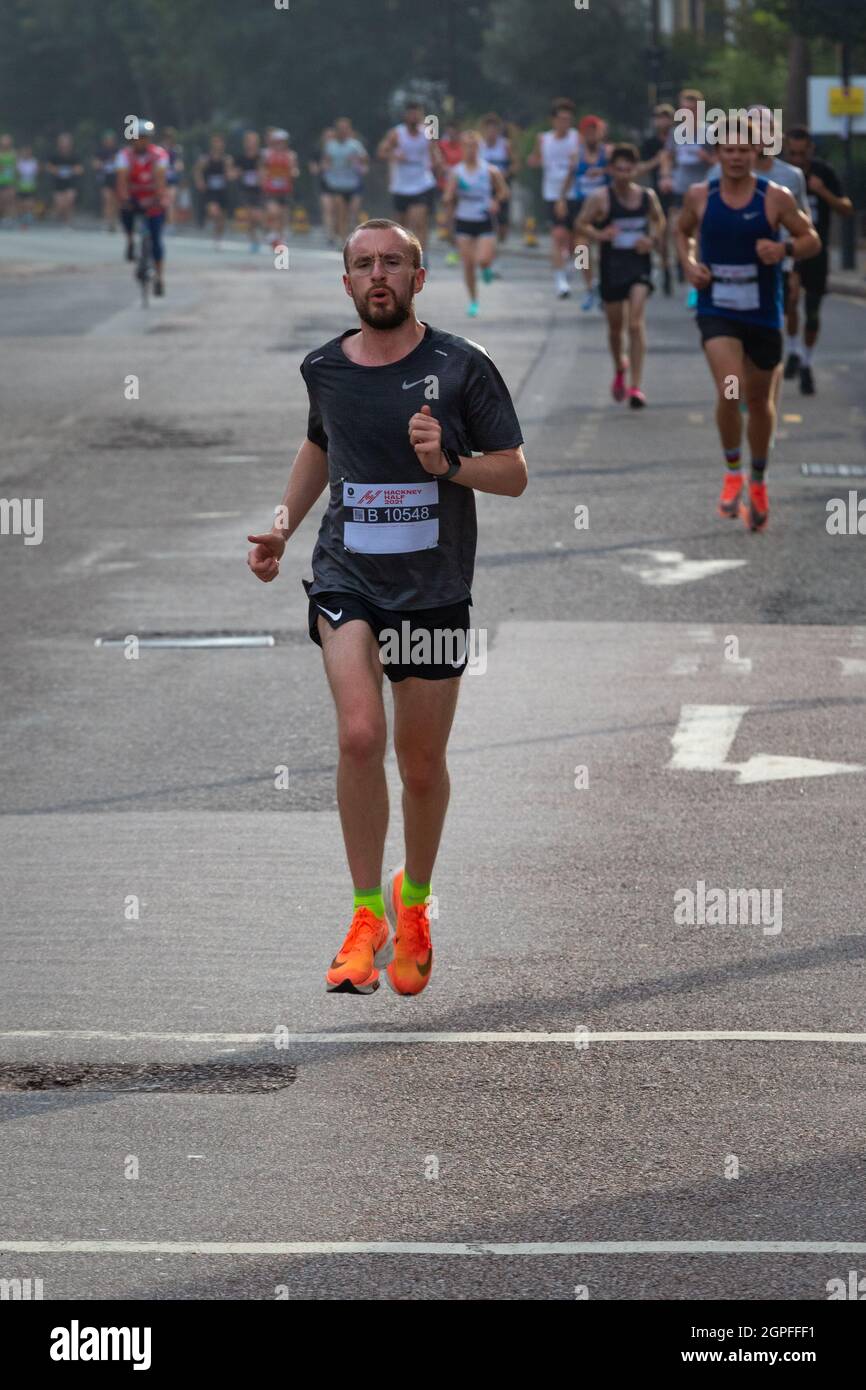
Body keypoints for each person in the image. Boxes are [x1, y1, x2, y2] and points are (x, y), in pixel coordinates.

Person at [246, 219, 526, 996]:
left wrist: (449, 463)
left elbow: (514, 473)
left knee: (422, 765)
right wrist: (281, 529)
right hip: (348, 580)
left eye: (393, 263)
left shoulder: (461, 366)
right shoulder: (325, 367)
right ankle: (366, 914)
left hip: (433, 592)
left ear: (418, 278)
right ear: (346, 282)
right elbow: (320, 445)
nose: (379, 274)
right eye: (364, 264)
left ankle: (415, 899)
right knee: (360, 734)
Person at [675, 128, 820, 531]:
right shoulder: (700, 196)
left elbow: (811, 239)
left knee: (758, 401)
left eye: (743, 150)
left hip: (763, 313)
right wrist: (689, 264)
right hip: (716, 308)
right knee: (730, 388)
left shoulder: (775, 197)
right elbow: (682, 231)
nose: (736, 157)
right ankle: (732, 471)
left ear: (756, 152)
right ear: (718, 154)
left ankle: (758, 478)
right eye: (728, 150)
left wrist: (783, 249)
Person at [708, 108, 810, 437]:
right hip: (725, 278)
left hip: (773, 271)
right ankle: (741, 397)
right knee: (733, 372)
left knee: (765, 362)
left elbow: (805, 228)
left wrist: (789, 257)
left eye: (766, 128)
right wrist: (693, 263)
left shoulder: (789, 177)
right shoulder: (716, 175)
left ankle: (766, 412)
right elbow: (698, 222)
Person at [577, 143, 665, 408]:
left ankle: (636, 386)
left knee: (635, 323)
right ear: (611, 170)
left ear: (635, 170)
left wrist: (651, 240)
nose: (624, 174)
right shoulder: (600, 198)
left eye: (629, 169)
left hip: (639, 265)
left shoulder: (647, 196)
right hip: (612, 267)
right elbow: (580, 223)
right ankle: (619, 367)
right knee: (616, 329)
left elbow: (659, 221)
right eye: (619, 169)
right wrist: (600, 234)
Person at [783, 125, 854, 396]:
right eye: (792, 153)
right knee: (790, 301)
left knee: (812, 311)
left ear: (811, 150)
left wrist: (823, 192)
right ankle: (792, 349)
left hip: (816, 249)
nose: (797, 159)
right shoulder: (782, 175)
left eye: (802, 153)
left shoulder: (823, 172)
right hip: (790, 249)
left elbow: (846, 208)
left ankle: (806, 362)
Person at [443, 129, 508, 316]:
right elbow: (448, 195)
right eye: (467, 146)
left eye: (474, 146)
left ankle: (486, 267)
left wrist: (495, 201)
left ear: (479, 148)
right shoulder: (457, 172)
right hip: (464, 220)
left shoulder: (490, 171)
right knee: (468, 264)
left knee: (483, 259)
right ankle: (473, 301)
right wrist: (448, 199)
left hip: (484, 219)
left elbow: (504, 192)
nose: (470, 150)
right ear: (462, 148)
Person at [527, 97, 580, 299]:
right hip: (551, 194)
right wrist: (533, 160)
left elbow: (574, 169)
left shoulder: (576, 138)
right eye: (561, 119)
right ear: (553, 120)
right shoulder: (544, 139)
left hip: (574, 194)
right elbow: (535, 159)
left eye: (568, 119)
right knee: (558, 236)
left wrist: (563, 197)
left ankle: (572, 266)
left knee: (576, 242)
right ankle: (560, 282)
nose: (565, 123)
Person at [377, 101, 442, 258]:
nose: (414, 116)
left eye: (417, 113)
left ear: (421, 115)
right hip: (401, 185)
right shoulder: (396, 133)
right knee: (401, 227)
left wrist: (438, 163)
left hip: (423, 183)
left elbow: (435, 152)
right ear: (406, 116)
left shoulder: (428, 132)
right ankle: (403, 255)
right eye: (411, 113)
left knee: (419, 221)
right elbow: (381, 152)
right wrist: (394, 155)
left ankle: (422, 256)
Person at [560, 114, 611, 310]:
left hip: (605, 209)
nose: (591, 135)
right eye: (587, 132)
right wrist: (561, 199)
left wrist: (603, 171)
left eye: (594, 131)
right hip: (583, 208)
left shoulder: (608, 153)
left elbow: (621, 173)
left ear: (600, 133)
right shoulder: (576, 155)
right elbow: (569, 178)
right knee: (581, 248)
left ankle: (604, 287)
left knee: (606, 251)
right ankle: (590, 286)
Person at [670, 89, 715, 300]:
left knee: (698, 233)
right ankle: (683, 265)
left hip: (702, 190)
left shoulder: (709, 132)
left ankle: (694, 282)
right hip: (681, 189)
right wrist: (665, 175)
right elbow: (667, 156)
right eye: (684, 109)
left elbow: (720, 161)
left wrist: (706, 158)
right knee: (678, 230)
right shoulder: (676, 133)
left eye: (692, 109)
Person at [115, 119, 169, 296]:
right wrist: (125, 198)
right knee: (125, 212)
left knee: (157, 241)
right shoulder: (124, 156)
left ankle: (159, 277)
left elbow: (160, 180)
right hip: (133, 198)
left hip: (153, 199)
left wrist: (159, 198)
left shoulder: (159, 155)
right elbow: (122, 181)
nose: (141, 141)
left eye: (145, 138)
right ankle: (130, 240)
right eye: (138, 138)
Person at [639, 103, 676, 294]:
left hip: (677, 192)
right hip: (656, 193)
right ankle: (666, 267)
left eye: (666, 117)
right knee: (660, 234)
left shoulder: (680, 139)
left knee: (674, 230)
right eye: (659, 118)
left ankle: (678, 263)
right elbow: (640, 168)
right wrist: (658, 160)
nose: (662, 121)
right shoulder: (650, 143)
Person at [321, 117, 369, 245]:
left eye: (345, 128)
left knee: (353, 212)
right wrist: (326, 168)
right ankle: (343, 240)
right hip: (336, 185)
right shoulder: (330, 146)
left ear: (349, 130)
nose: (342, 131)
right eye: (340, 129)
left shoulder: (355, 145)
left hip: (353, 184)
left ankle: (350, 233)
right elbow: (325, 161)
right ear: (336, 130)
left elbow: (364, 159)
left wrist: (360, 165)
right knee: (340, 212)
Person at [480, 113, 517, 248]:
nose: (491, 133)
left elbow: (515, 164)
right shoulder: (479, 146)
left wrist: (505, 174)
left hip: (501, 186)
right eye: (488, 129)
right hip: (484, 186)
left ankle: (500, 240)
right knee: (484, 217)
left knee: (502, 222)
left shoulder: (505, 145)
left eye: (494, 130)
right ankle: (487, 243)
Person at [194, 134, 234, 248]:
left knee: (222, 217)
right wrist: (200, 181)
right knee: (214, 212)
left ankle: (218, 237)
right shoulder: (205, 158)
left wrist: (231, 175)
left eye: (220, 142)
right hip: (210, 191)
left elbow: (230, 173)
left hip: (223, 191)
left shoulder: (227, 159)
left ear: (223, 145)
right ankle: (209, 222)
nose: (218, 145)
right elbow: (197, 171)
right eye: (215, 142)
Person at [262, 127, 299, 250]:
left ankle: (280, 238)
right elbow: (262, 169)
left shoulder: (290, 155)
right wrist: (264, 179)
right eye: (278, 141)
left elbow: (294, 169)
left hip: (284, 190)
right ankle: (273, 234)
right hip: (271, 190)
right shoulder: (267, 154)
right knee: (273, 212)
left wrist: (294, 172)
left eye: (282, 142)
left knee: (283, 215)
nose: (280, 144)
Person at [437, 121, 464, 265]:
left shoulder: (464, 146)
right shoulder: (442, 146)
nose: (451, 135)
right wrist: (442, 167)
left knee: (462, 219)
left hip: (464, 189)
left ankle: (464, 248)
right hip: (447, 187)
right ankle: (453, 249)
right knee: (450, 220)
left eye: (454, 132)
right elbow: (437, 164)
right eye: (449, 132)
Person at [234, 129, 265, 252]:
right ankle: (253, 240)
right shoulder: (240, 158)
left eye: (254, 141)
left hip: (260, 190)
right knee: (250, 215)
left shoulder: (262, 157)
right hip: (245, 190)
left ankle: (265, 235)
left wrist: (262, 175)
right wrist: (237, 173)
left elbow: (266, 171)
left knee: (258, 216)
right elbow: (234, 173)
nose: (251, 143)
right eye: (249, 141)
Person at [46, 133, 83, 224]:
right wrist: (56, 170)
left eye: (67, 143)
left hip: (71, 183)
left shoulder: (74, 155)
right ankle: (58, 217)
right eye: (63, 142)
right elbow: (48, 167)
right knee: (60, 205)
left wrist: (72, 170)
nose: (65, 145)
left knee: (70, 200)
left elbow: (80, 169)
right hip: (58, 184)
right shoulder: (55, 155)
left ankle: (68, 222)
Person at [92, 131, 119, 231]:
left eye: (111, 140)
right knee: (107, 199)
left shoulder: (118, 151)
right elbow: (95, 165)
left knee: (115, 201)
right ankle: (107, 222)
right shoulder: (100, 152)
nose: (109, 142)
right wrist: (102, 164)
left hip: (116, 179)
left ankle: (114, 222)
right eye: (107, 140)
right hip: (105, 179)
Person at [160, 127, 185, 230]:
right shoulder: (160, 149)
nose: (169, 139)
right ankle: (163, 222)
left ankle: (171, 224)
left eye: (171, 137)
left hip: (172, 179)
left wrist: (179, 166)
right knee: (162, 202)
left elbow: (180, 163)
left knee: (171, 200)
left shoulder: (177, 149)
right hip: (161, 179)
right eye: (167, 137)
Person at [15, 145, 38, 226]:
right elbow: (17, 173)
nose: (26, 154)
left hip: (30, 186)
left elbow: (35, 172)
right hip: (21, 186)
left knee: (29, 202)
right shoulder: (19, 162)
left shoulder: (33, 161)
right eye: (25, 152)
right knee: (21, 203)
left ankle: (29, 217)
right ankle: (21, 218)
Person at [0, 133, 18, 226]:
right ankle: (2, 218)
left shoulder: (13, 153)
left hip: (10, 181)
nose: (5, 143)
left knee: (10, 200)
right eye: (4, 141)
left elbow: (16, 167)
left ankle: (10, 219)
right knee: (1, 201)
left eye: (7, 141)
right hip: (1, 181)